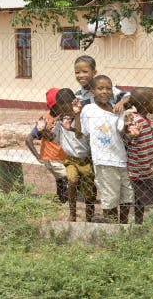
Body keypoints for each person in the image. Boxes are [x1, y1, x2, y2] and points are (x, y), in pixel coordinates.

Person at [81, 75, 133, 224]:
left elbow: (121, 132)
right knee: (110, 198)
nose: (104, 91)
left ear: (112, 91)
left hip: (121, 159)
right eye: (100, 88)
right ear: (92, 92)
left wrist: (127, 126)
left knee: (127, 196)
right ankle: (111, 229)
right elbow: (84, 132)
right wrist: (77, 114)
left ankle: (123, 226)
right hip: (104, 161)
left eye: (108, 88)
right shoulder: (88, 110)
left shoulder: (117, 109)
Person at [51, 88, 95, 222]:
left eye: (67, 107)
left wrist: (75, 118)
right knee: (72, 181)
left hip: (86, 159)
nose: (65, 112)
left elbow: (80, 134)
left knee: (89, 190)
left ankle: (89, 215)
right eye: (61, 108)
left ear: (73, 103)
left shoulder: (81, 118)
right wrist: (45, 131)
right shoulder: (59, 122)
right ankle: (73, 213)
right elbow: (53, 137)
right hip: (70, 160)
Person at [122, 88, 153, 224]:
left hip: (142, 168)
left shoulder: (143, 119)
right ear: (146, 104)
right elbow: (128, 138)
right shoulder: (135, 120)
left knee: (139, 200)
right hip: (141, 170)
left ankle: (138, 225)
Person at [25, 88, 68, 203]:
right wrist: (38, 156)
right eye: (61, 104)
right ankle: (62, 201)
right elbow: (28, 140)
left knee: (62, 180)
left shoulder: (65, 118)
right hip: (51, 158)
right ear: (53, 106)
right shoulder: (44, 120)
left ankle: (60, 200)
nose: (64, 106)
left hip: (63, 157)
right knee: (64, 179)